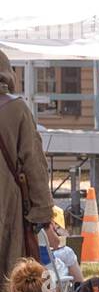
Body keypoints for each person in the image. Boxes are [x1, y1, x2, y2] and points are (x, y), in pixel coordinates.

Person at [0, 60, 54, 280]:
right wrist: (42, 213)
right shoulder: (15, 108)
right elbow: (33, 164)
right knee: (10, 278)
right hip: (6, 205)